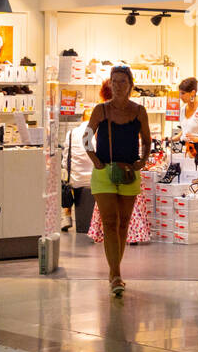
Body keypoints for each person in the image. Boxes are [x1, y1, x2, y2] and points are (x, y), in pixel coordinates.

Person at [85, 65, 152, 297]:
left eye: (123, 81)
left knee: (123, 224)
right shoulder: (100, 110)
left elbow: (147, 140)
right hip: (104, 173)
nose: (118, 85)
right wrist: (95, 160)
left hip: (128, 173)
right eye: (114, 81)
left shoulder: (139, 111)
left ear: (131, 85)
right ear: (109, 84)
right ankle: (115, 274)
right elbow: (87, 136)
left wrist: (142, 161)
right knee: (110, 222)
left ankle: (114, 272)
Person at [61, 107, 94, 232]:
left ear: (82, 119)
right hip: (95, 180)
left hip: (76, 180)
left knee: (67, 182)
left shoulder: (71, 133)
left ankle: (67, 215)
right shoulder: (98, 133)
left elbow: (65, 159)